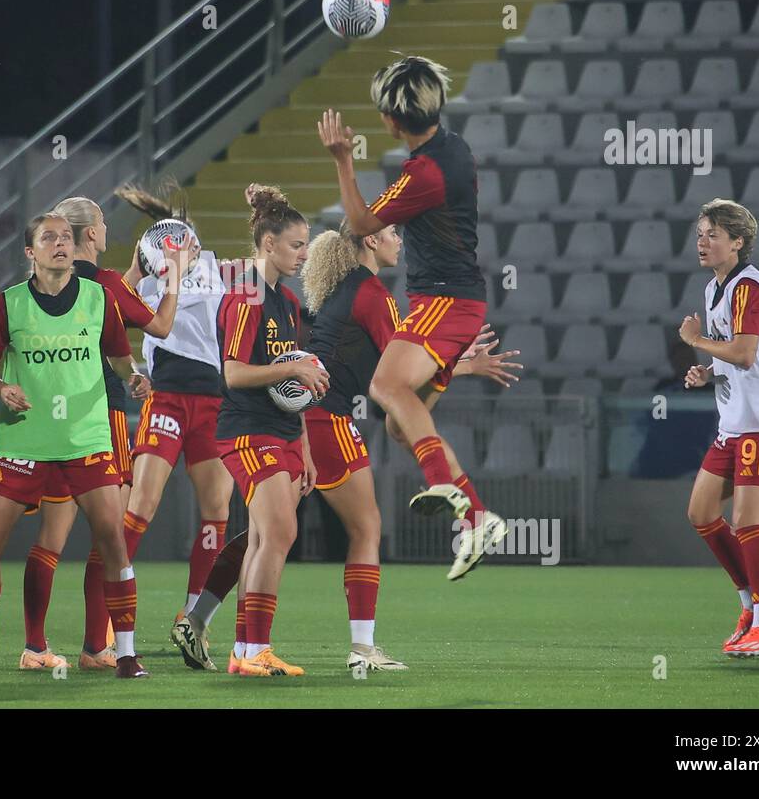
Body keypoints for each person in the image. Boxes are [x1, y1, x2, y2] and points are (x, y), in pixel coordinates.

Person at [175, 227, 520, 673]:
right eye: (392, 232)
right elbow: (397, 381)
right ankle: (360, 649)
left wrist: (458, 363)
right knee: (365, 527)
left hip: (301, 417)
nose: (400, 239)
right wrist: (458, 363)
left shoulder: (344, 287)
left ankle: (200, 619)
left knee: (265, 533)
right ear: (369, 243)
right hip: (325, 417)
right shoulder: (372, 294)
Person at [319, 55, 507, 581]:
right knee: (403, 425)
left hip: (445, 300)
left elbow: (358, 223)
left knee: (385, 386)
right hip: (452, 300)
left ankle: (440, 484)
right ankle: (476, 515)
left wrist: (342, 159)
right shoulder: (455, 149)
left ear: (391, 121)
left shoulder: (425, 171)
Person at [0, 212, 149, 680]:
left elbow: (120, 359)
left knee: (113, 546)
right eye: (49, 238)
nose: (60, 244)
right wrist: (1, 388)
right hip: (24, 440)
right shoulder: (9, 304)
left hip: (85, 440)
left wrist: (135, 377)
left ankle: (124, 652)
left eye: (66, 237)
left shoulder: (100, 298)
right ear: (30, 251)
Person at [15, 195, 187, 672]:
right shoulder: (107, 283)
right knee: (108, 538)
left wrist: (132, 274)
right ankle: (98, 647)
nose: (108, 229)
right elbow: (163, 326)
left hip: (51, 419)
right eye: (104, 224)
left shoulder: (47, 282)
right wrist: (170, 277)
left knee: (49, 538)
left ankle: (34, 647)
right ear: (91, 234)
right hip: (99, 416)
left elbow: (99, 307)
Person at [115, 186, 238, 638]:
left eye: (185, 239)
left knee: (217, 508)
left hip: (213, 399)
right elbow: (111, 310)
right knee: (141, 505)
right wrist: (135, 266)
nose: (184, 246)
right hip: (166, 397)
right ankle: (110, 617)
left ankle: (191, 618)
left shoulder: (220, 270)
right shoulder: (148, 279)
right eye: (174, 242)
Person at [212, 185, 324, 678]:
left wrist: (306, 447)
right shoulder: (246, 295)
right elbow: (234, 373)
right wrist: (292, 371)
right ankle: (252, 648)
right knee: (279, 532)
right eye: (296, 244)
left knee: (263, 539)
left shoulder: (289, 303)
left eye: (305, 244)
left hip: (280, 431)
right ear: (268, 244)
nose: (303, 253)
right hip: (247, 429)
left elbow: (292, 383)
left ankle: (246, 651)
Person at [680, 199, 759, 658]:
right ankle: (750, 603)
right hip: (735, 423)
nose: (702, 242)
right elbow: (733, 354)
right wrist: (707, 370)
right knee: (701, 513)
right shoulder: (715, 289)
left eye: (712, 234)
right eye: (700, 234)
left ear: (738, 241)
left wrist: (695, 342)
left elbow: (747, 353)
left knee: (748, 521)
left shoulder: (750, 287)